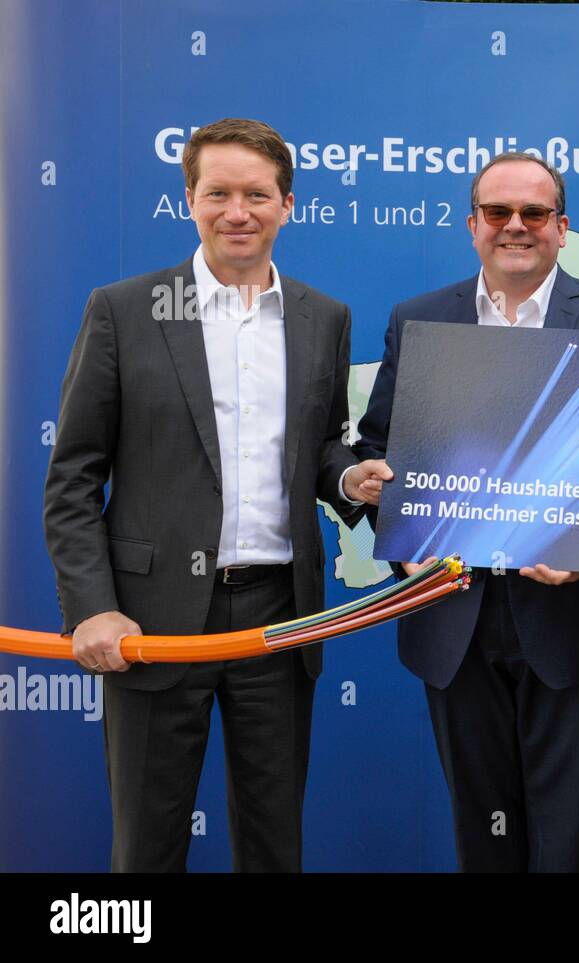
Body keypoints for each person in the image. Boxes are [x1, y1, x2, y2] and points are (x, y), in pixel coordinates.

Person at [42, 117, 388, 872]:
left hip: (280, 618)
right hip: (150, 621)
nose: (239, 211)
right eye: (219, 193)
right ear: (189, 203)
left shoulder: (322, 316)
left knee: (274, 847)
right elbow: (71, 477)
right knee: (146, 849)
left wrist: (348, 478)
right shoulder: (124, 310)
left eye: (257, 194)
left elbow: (325, 443)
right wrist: (93, 604)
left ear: (287, 205)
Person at [354, 152, 579, 872]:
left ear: (562, 228)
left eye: (533, 213)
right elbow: (379, 450)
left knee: (566, 838)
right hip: (453, 615)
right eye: (498, 212)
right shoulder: (420, 318)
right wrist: (405, 534)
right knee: (483, 833)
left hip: (573, 619)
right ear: (472, 226)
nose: (514, 226)